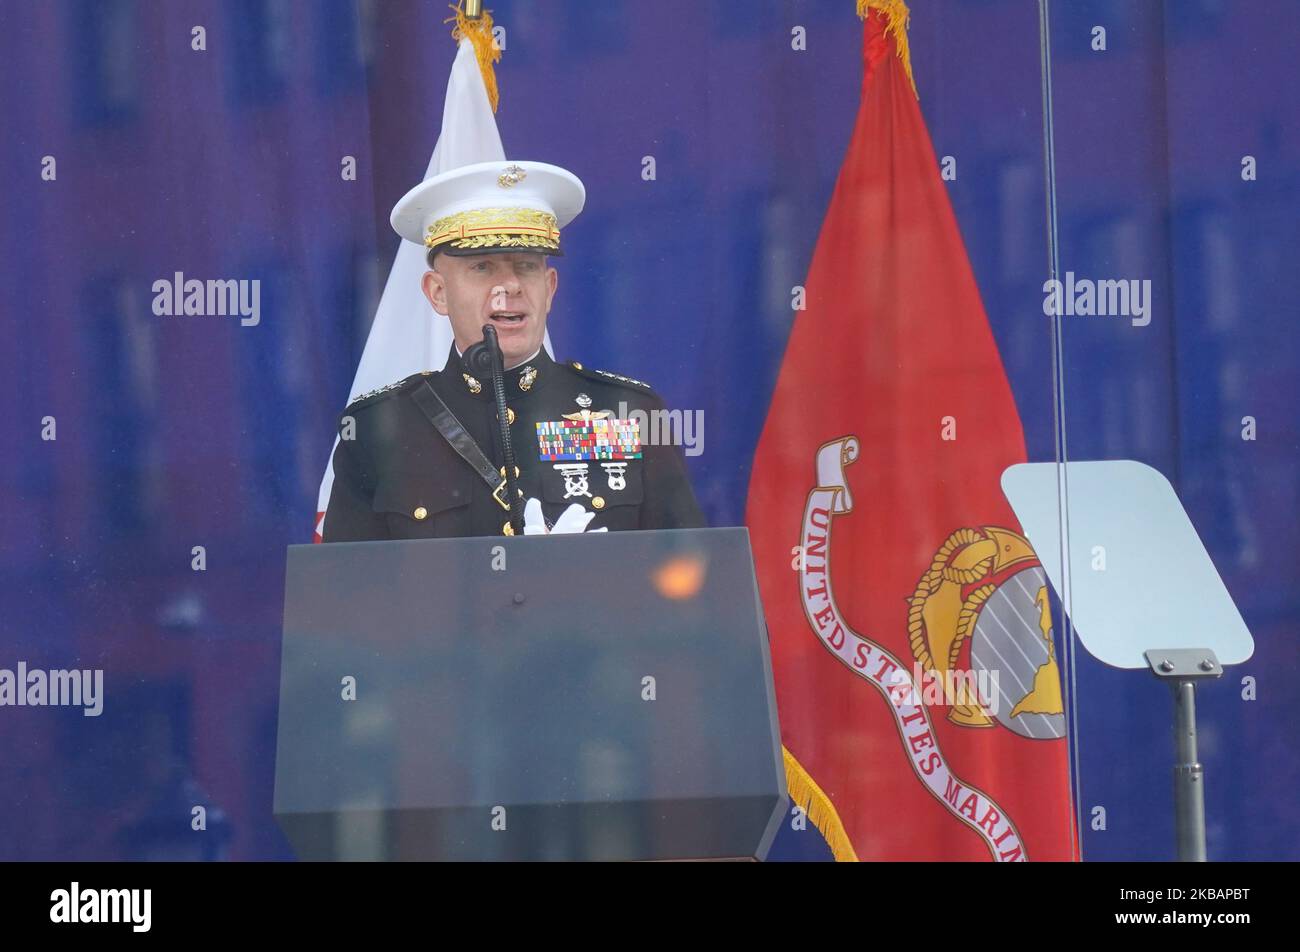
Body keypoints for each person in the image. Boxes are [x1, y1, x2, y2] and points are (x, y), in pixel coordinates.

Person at [321, 160, 705, 542]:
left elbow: (690, 578)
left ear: (550, 287)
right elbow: (347, 594)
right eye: (482, 267)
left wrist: (592, 581)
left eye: (526, 266)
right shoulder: (376, 431)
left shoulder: (630, 414)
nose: (510, 285)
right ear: (438, 293)